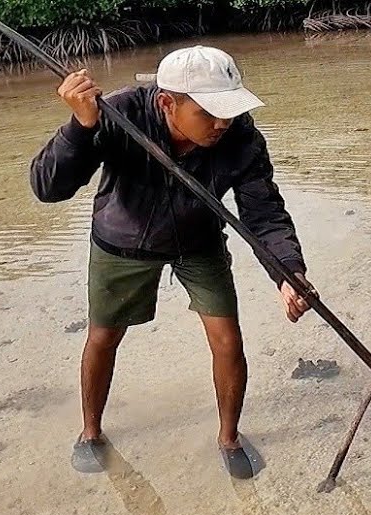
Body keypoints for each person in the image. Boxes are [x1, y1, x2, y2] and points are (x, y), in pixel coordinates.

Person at [29, 45, 316, 480]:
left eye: (230, 110)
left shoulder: (240, 137)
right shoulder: (117, 113)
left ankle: (229, 437)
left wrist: (288, 273)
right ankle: (90, 431)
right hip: (122, 241)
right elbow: (47, 187)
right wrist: (80, 127)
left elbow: (264, 213)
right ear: (168, 102)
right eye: (210, 112)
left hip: (198, 240)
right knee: (103, 337)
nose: (223, 123)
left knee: (228, 339)